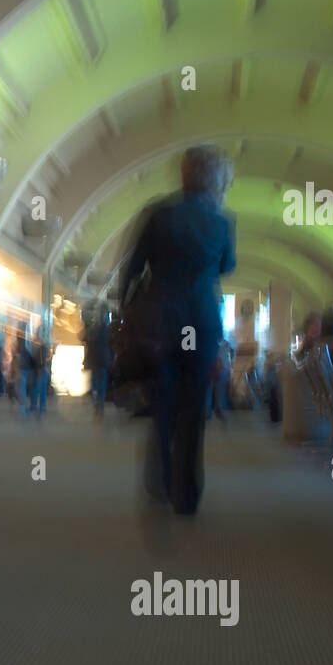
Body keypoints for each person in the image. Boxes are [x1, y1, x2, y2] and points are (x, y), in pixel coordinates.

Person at [119, 144, 236, 515]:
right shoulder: (221, 221)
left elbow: (133, 267)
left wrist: (128, 311)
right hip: (200, 322)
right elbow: (226, 267)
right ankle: (187, 495)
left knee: (164, 400)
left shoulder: (158, 213)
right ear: (217, 182)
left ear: (184, 174)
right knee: (193, 407)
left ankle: (160, 479)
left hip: (160, 322)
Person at [82, 305, 112, 419]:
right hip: (103, 360)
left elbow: (90, 344)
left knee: (96, 382)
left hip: (96, 360)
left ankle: (97, 402)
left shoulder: (94, 330)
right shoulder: (108, 331)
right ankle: (100, 405)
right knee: (102, 383)